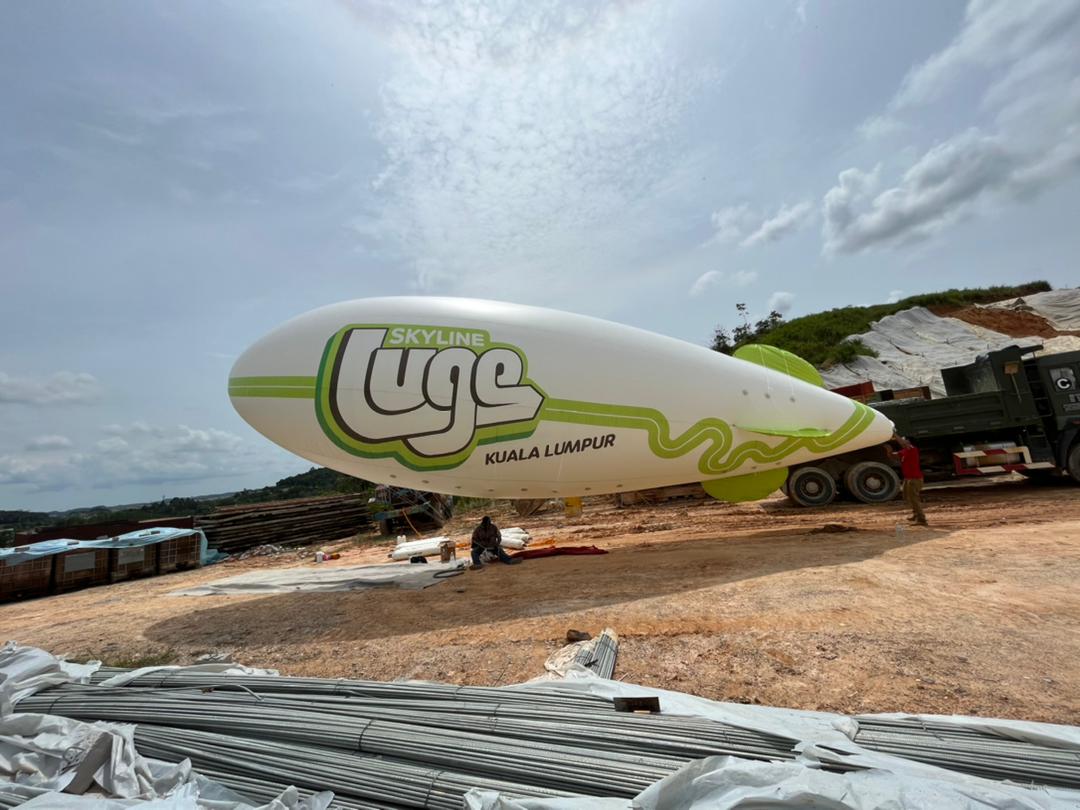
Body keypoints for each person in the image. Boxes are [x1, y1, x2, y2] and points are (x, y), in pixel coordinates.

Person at [890, 435, 928, 526]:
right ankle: (916, 515)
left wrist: (895, 435)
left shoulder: (912, 449)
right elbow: (893, 456)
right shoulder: (905, 451)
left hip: (914, 479)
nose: (901, 441)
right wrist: (888, 450)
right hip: (908, 478)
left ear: (909, 441)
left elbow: (903, 444)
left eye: (904, 439)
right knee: (908, 497)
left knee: (914, 499)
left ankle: (921, 519)